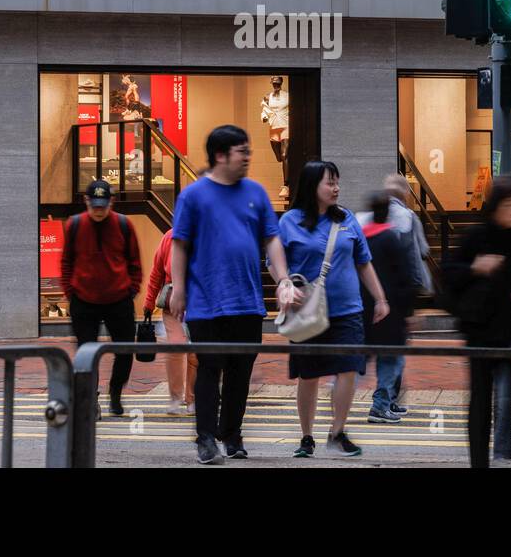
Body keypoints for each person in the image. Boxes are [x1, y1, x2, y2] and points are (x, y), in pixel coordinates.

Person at [168, 125, 300, 465]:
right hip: (206, 301)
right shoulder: (194, 196)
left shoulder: (255, 192)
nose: (247, 157)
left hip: (247, 301)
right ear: (221, 155)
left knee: (241, 372)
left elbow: (272, 239)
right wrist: (179, 289)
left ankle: (232, 434)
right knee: (210, 369)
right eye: (242, 151)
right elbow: (180, 244)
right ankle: (206, 439)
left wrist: (284, 279)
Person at [278, 161, 388, 459]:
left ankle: (337, 432)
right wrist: (286, 284)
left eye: (337, 182)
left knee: (349, 368)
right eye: (330, 182)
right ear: (312, 185)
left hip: (348, 310)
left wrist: (379, 298)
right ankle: (306, 436)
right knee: (309, 375)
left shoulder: (348, 220)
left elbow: (363, 261)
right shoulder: (290, 221)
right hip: (307, 312)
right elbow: (276, 263)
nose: (336, 188)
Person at [442, 177, 511, 468]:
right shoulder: (477, 236)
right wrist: (475, 267)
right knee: (480, 396)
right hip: (480, 328)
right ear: (497, 207)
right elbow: (449, 272)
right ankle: (479, 462)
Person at [60, 180, 143, 417]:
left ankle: (115, 392)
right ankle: (91, 399)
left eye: (103, 205)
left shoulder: (124, 225)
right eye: (94, 204)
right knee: (87, 354)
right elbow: (67, 262)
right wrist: (70, 292)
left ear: (111, 202)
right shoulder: (75, 225)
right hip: (84, 301)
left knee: (125, 351)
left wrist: (131, 290)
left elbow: (134, 263)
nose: (98, 210)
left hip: (119, 300)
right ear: (86, 201)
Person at [355, 172, 434, 413]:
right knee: (391, 355)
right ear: (405, 195)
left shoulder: (359, 223)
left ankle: (346, 392)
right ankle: (383, 402)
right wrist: (413, 306)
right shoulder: (406, 221)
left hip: (362, 299)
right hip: (393, 302)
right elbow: (414, 262)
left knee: (366, 353)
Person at [361, 192, 418, 424]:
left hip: (364, 308)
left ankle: (340, 393)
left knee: (362, 358)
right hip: (389, 310)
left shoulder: (363, 238)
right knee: (391, 360)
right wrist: (409, 312)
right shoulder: (391, 238)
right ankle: (381, 405)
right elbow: (405, 276)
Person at [142, 228, 198, 415]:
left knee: (196, 353)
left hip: (199, 303)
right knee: (176, 346)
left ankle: (192, 398)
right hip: (172, 304)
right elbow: (157, 272)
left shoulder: (207, 233)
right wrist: (149, 302)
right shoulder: (169, 237)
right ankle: (175, 397)